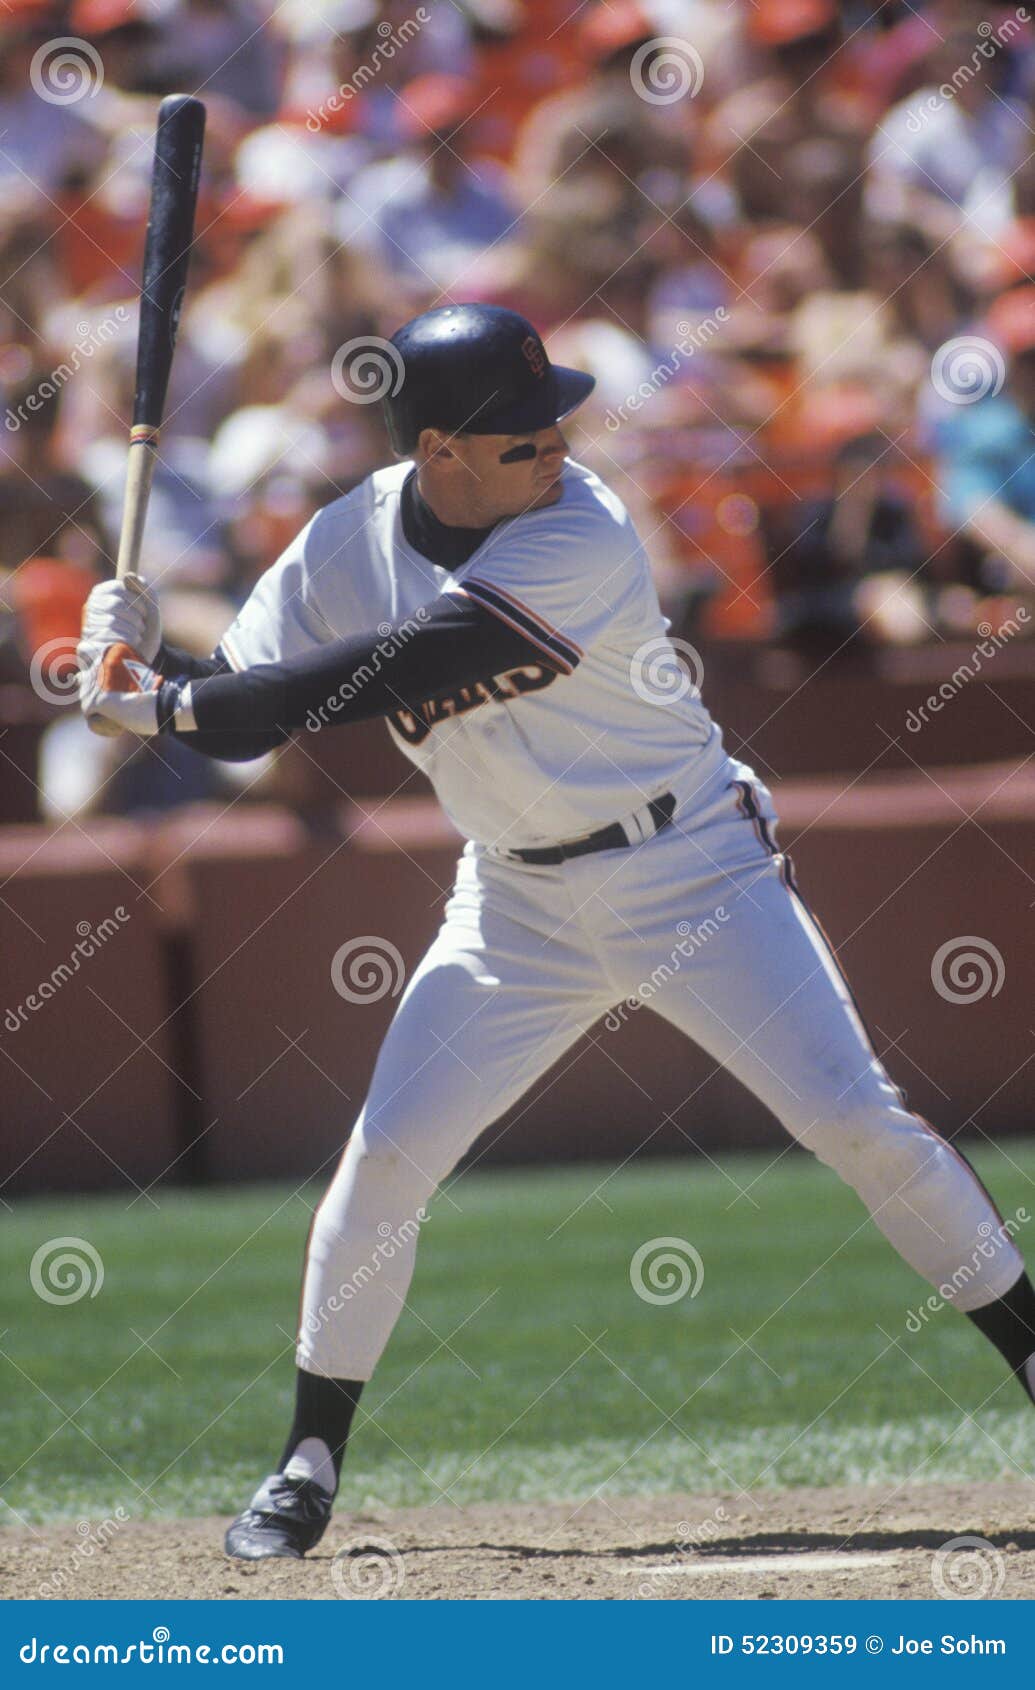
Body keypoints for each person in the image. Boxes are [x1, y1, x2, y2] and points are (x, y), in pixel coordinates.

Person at [78, 304, 1035, 1561]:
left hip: (690, 866)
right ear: (438, 449)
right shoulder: (342, 543)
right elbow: (250, 713)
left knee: (859, 1120)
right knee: (386, 1160)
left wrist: (165, 706)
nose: (554, 442)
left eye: (552, 419)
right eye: (519, 431)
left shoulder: (579, 525)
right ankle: (307, 1458)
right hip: (513, 903)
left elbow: (401, 669)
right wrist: (138, 663)